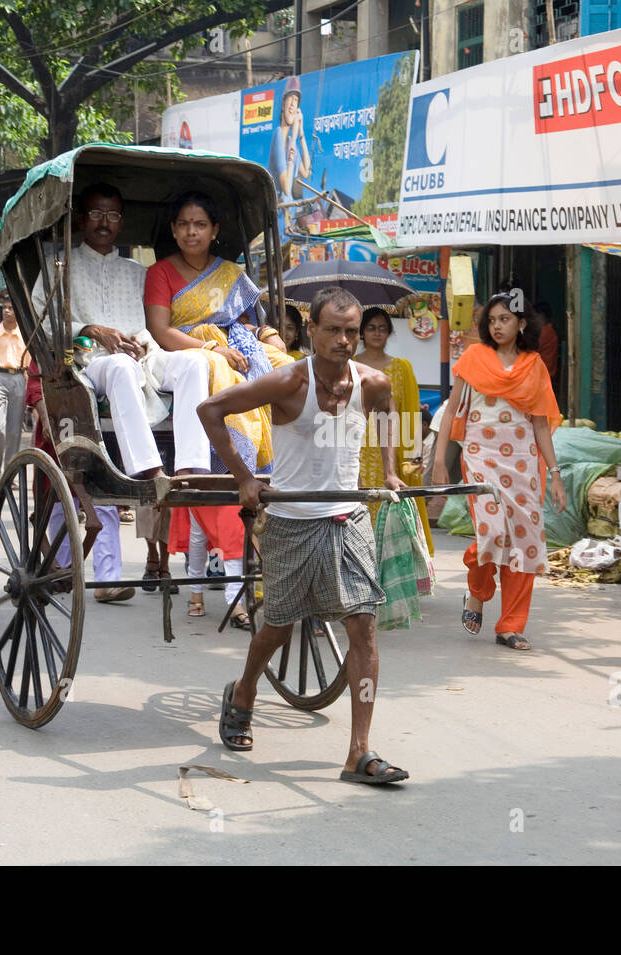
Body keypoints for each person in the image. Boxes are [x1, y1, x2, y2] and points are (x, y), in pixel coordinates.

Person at [199, 286, 410, 784]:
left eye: (352, 331)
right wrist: (244, 478)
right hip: (291, 521)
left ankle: (359, 752)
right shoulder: (288, 381)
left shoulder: (374, 382)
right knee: (278, 626)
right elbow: (211, 411)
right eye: (332, 330)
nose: (343, 340)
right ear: (310, 330)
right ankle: (244, 690)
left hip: (348, 517)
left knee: (363, 626)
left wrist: (390, 472)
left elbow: (387, 418)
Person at [31, 182, 215, 589]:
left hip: (140, 357)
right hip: (84, 364)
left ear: (121, 223)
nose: (104, 222)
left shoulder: (137, 272)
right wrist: (91, 330)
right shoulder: (58, 267)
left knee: (192, 363)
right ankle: (147, 468)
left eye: (113, 215)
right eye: (96, 213)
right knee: (117, 367)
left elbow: (150, 326)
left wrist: (139, 341)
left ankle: (190, 466)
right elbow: (45, 330)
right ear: (81, 218)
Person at [144, 190, 292, 626]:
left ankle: (290, 453)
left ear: (214, 231)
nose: (192, 231)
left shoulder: (232, 274)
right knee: (212, 365)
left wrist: (268, 338)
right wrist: (213, 346)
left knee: (293, 369)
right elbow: (159, 330)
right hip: (187, 356)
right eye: (184, 224)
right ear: (174, 230)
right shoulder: (160, 272)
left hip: (240, 348)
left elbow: (252, 322)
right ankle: (241, 458)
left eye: (200, 224)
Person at [432, 293, 566, 652]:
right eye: (492, 320)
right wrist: (440, 459)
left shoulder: (534, 364)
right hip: (480, 456)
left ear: (521, 323)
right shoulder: (474, 358)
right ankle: (477, 593)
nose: (497, 326)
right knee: (491, 535)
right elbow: (450, 411)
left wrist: (554, 474)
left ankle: (511, 625)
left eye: (504, 319)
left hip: (524, 463)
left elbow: (540, 424)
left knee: (524, 543)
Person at [25, 360, 132, 602]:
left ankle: (107, 581)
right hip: (60, 431)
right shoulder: (47, 353)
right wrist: (49, 421)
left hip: (96, 436)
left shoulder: (99, 354)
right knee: (59, 507)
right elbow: (37, 390)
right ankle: (61, 570)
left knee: (105, 504)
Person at [356, 305, 433, 552]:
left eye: (382, 328)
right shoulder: (349, 365)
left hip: (392, 451)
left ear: (389, 332)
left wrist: (412, 461)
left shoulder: (402, 368)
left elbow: (410, 415)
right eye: (371, 328)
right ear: (361, 333)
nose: (377, 333)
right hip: (357, 450)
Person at [0, 300, 30, 486]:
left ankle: (9, 474)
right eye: (4, 308)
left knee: (14, 431)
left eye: (11, 308)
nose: (7, 311)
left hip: (19, 378)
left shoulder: (25, 334)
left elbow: (28, 362)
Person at [268, 76, 311, 204]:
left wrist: (301, 133)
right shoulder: (278, 135)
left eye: (296, 100)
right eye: (290, 99)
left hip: (288, 216)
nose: (293, 104)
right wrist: (294, 136)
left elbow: (306, 172)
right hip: (278, 216)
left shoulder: (290, 139)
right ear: (283, 104)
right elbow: (286, 187)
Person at [534, 301, 560, 396]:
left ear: (541, 316)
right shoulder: (546, 331)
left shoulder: (546, 332)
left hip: (544, 375)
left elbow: (528, 349)